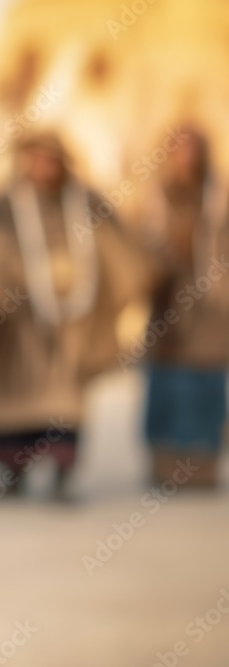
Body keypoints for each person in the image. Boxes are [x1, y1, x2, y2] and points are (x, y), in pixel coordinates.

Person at [0, 132, 145, 501]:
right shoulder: (6, 204)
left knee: (66, 401)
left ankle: (63, 475)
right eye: (34, 159)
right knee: (13, 400)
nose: (42, 168)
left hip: (71, 323)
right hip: (17, 325)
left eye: (49, 160)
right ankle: (12, 473)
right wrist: (7, 278)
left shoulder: (85, 201)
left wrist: (73, 275)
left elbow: (117, 249)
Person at [137, 127, 229, 487]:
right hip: (167, 307)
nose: (183, 158)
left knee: (205, 387)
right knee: (167, 387)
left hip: (210, 309)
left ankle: (202, 467)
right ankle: (164, 465)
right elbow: (137, 249)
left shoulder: (218, 199)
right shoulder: (155, 200)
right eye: (176, 150)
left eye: (189, 150)